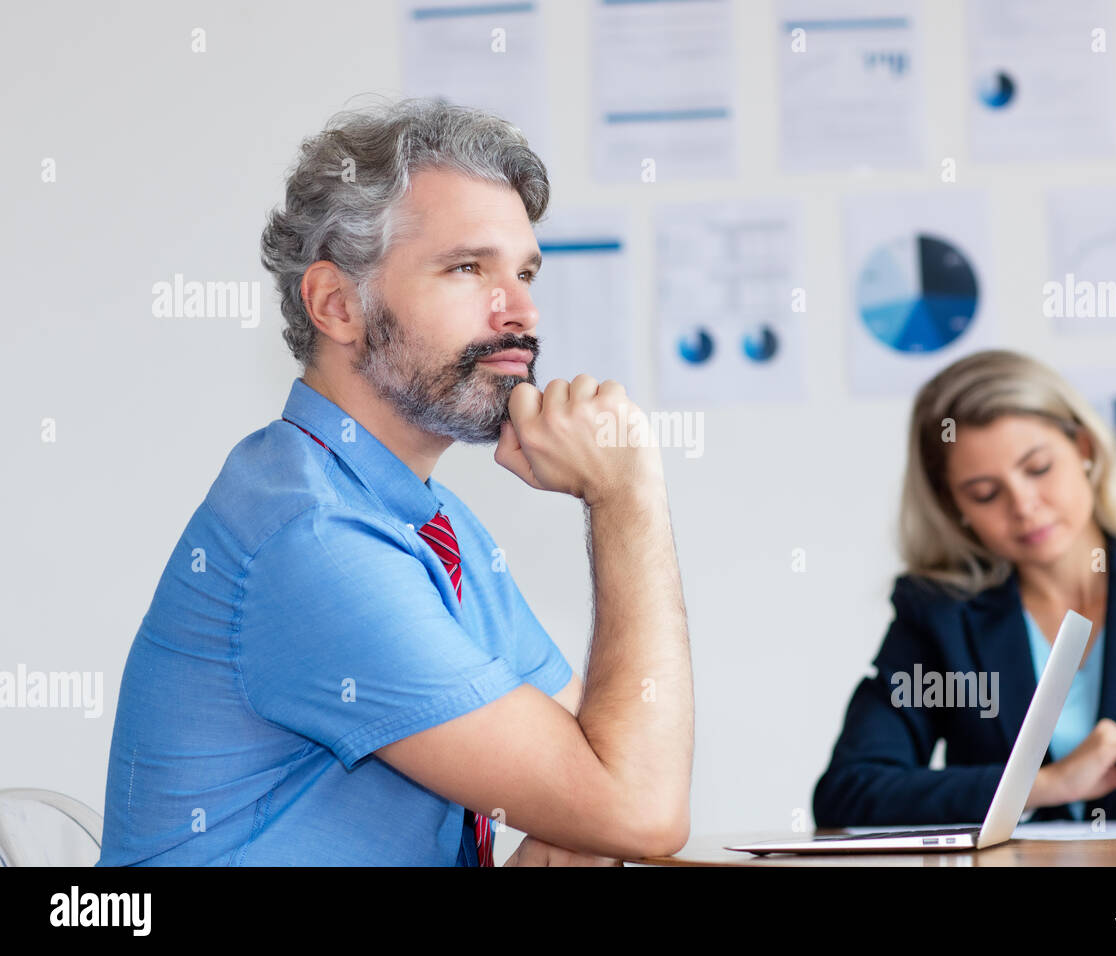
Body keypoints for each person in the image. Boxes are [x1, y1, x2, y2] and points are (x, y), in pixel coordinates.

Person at [97, 99, 692, 866]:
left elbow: (615, 768)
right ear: (337, 305)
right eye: (469, 268)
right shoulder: (310, 538)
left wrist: (593, 817)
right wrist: (627, 495)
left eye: (525, 272)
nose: (522, 311)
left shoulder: (433, 526)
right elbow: (637, 806)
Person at [813, 349, 1116, 826]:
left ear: (1084, 449)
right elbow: (849, 790)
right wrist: (1045, 783)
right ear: (952, 504)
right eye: (985, 493)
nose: (1024, 505)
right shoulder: (938, 612)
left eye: (1039, 468)